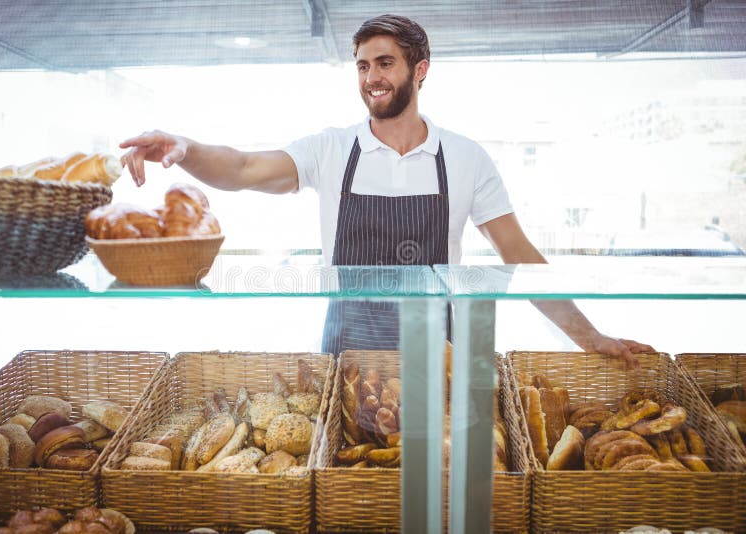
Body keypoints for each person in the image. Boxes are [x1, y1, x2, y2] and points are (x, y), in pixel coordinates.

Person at [120, 14, 653, 367]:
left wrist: (591, 337)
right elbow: (241, 167)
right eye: (362, 65)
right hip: (345, 355)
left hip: (438, 357)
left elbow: (520, 258)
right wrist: (184, 147)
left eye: (384, 63)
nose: (370, 77)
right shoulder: (331, 150)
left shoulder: (465, 158)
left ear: (420, 71)